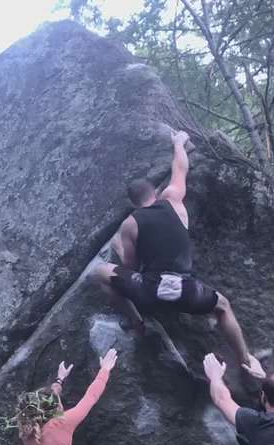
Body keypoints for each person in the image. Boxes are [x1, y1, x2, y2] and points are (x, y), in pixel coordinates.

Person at [93, 128, 253, 368]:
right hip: (187, 291)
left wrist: (118, 245)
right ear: (156, 193)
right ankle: (246, 359)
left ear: (133, 204)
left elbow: (130, 267)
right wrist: (179, 142)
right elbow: (180, 169)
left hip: (151, 292)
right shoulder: (174, 201)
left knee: (101, 273)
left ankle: (137, 324)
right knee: (223, 306)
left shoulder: (131, 223)